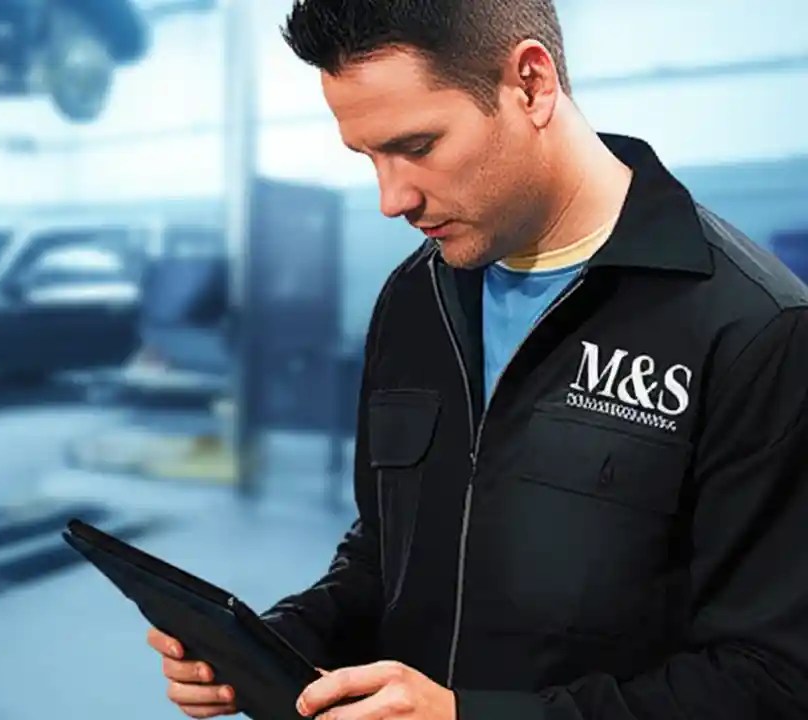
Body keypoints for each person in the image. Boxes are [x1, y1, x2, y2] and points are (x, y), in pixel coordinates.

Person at [146, 0, 808, 718]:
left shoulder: (754, 329)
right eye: (368, 157)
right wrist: (279, 644)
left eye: (418, 146)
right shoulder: (413, 299)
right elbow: (382, 555)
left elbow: (768, 680)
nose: (391, 199)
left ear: (530, 83)